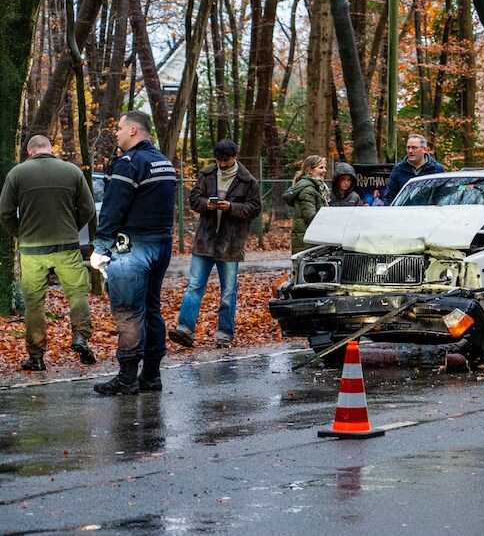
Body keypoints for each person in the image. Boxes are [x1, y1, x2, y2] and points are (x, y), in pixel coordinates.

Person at [91, 111, 177, 395]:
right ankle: (151, 376)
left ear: (132, 131)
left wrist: (101, 245)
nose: (115, 133)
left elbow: (114, 207)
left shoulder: (129, 163)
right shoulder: (164, 163)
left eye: (118, 127)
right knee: (152, 308)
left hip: (132, 247)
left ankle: (127, 379)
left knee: (128, 312)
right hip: (161, 244)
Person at [0, 135, 97, 371]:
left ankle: (36, 357)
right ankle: (81, 337)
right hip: (66, 247)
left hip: (32, 250)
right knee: (77, 294)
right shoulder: (72, 171)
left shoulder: (17, 174)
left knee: (34, 304)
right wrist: (72, 228)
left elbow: (5, 213)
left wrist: (21, 233)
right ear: (51, 149)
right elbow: (89, 208)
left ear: (29, 152)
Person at [168, 140, 262, 349]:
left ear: (234, 157)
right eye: (219, 160)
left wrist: (231, 207)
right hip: (205, 240)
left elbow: (254, 208)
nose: (222, 164)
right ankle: (185, 328)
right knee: (194, 286)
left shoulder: (248, 181)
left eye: (226, 161)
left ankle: (224, 333)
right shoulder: (207, 174)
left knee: (228, 291)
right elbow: (194, 199)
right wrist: (206, 205)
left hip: (231, 243)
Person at [381, 134, 445, 204]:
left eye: (414, 148)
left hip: (429, 212)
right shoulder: (399, 169)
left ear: (424, 149)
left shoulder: (436, 169)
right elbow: (389, 197)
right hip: (404, 212)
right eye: (408, 148)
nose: (410, 151)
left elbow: (443, 196)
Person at [283, 155, 328, 254]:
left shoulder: (318, 188)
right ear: (310, 171)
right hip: (308, 240)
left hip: (310, 237)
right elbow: (310, 216)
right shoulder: (308, 190)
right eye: (321, 167)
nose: (324, 170)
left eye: (325, 167)